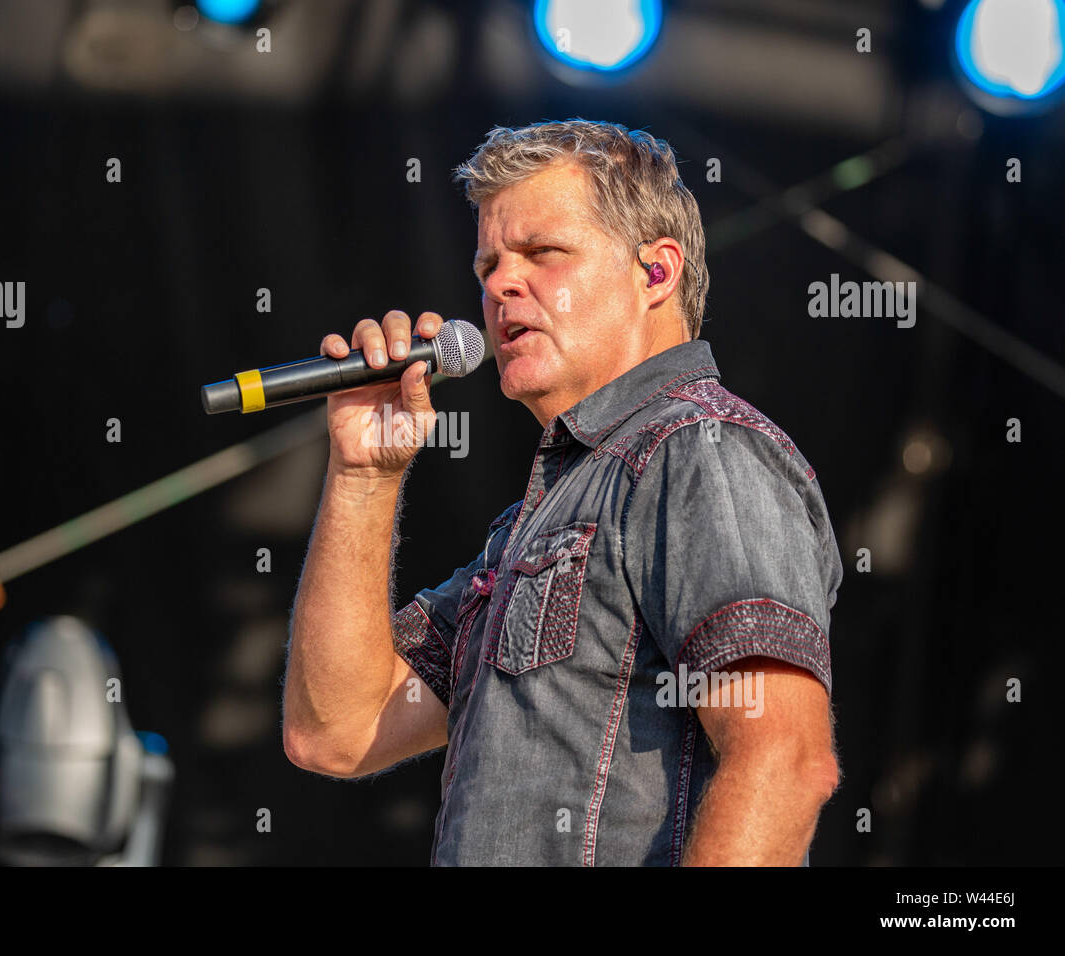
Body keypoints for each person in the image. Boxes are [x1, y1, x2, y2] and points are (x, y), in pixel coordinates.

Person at [282, 119, 843, 866]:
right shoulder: (532, 524)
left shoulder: (700, 449)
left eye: (542, 253)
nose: (499, 285)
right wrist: (364, 473)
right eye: (487, 266)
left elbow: (783, 761)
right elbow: (337, 729)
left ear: (656, 273)